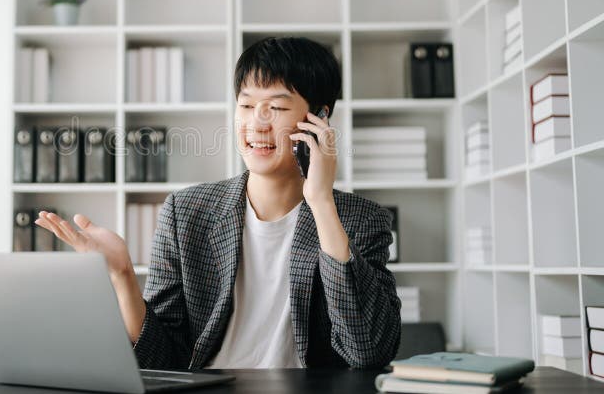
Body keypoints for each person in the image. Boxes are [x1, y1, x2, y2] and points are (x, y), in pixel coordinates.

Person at [36, 36, 401, 370]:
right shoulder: (187, 212)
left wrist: (321, 201)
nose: (256, 123)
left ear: (319, 118)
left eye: (275, 107)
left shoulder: (360, 220)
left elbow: (367, 351)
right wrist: (122, 275)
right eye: (246, 105)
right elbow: (163, 357)